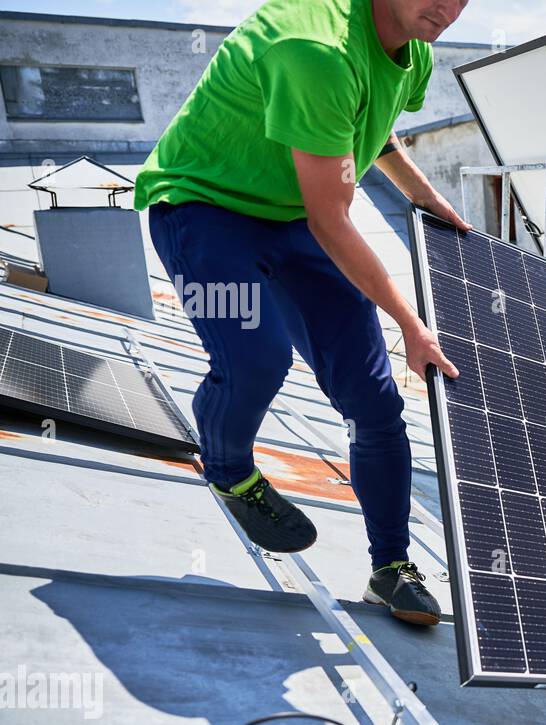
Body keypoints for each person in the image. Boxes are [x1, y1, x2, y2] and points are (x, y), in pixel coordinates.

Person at [135, 0, 474, 626]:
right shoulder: (314, 49)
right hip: (208, 203)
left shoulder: (415, 46)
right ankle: (230, 468)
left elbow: (371, 128)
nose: (448, 8)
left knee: (375, 403)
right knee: (258, 359)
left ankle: (391, 568)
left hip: (296, 216)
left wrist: (425, 198)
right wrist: (410, 323)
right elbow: (333, 217)